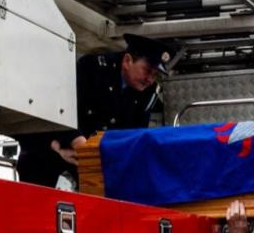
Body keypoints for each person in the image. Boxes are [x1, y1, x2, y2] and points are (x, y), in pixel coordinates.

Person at [14, 33, 174, 187]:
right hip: (52, 144)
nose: (149, 79)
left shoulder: (148, 91)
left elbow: (134, 133)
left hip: (94, 157)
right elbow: (61, 106)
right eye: (146, 70)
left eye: (154, 75)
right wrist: (75, 142)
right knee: (36, 197)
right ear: (127, 61)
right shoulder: (93, 69)